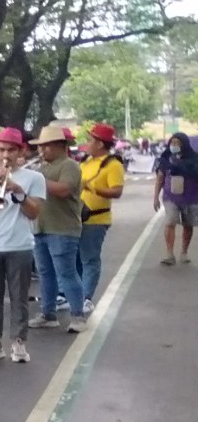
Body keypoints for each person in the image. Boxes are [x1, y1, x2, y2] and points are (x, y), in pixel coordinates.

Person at [0, 128, 44, 363]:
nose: (6, 155)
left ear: (21, 152)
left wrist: (18, 191)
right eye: (1, 150)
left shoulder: (34, 178)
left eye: (11, 150)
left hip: (20, 245)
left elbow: (34, 213)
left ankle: (19, 342)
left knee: (19, 298)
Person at [27, 126, 86, 334]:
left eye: (46, 146)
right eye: (40, 146)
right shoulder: (41, 168)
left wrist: (33, 179)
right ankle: (48, 314)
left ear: (60, 146)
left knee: (66, 273)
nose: (41, 150)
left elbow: (64, 190)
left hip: (62, 228)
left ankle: (78, 315)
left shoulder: (69, 165)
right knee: (45, 273)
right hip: (40, 227)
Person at [76, 123, 125, 308]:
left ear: (100, 144)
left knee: (90, 258)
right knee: (75, 258)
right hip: (76, 216)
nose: (87, 143)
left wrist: (92, 187)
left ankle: (86, 297)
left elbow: (116, 191)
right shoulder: (85, 161)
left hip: (95, 219)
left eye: (90, 140)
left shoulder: (113, 164)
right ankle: (75, 295)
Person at [152, 131, 198, 265]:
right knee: (170, 222)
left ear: (184, 144)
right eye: (172, 143)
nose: (174, 145)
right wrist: (155, 197)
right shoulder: (165, 158)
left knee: (188, 225)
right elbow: (160, 178)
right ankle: (169, 254)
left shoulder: (194, 159)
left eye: (177, 143)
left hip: (191, 197)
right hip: (170, 197)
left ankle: (184, 252)